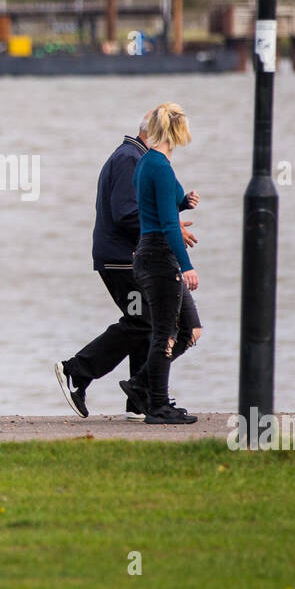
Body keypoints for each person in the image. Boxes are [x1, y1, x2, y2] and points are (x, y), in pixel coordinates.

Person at [55, 111, 202, 419]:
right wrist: (171, 227)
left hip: (129, 257)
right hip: (122, 259)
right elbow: (126, 213)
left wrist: (177, 209)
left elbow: (146, 206)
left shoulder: (136, 156)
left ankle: (139, 401)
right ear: (153, 133)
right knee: (143, 322)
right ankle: (77, 371)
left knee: (146, 324)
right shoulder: (129, 158)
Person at [118, 102, 200, 424]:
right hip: (158, 256)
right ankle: (159, 404)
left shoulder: (151, 163)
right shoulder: (159, 168)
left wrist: (184, 202)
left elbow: (167, 204)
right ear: (178, 130)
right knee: (165, 333)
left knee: (190, 330)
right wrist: (187, 265)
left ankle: (140, 386)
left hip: (150, 254)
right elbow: (167, 224)